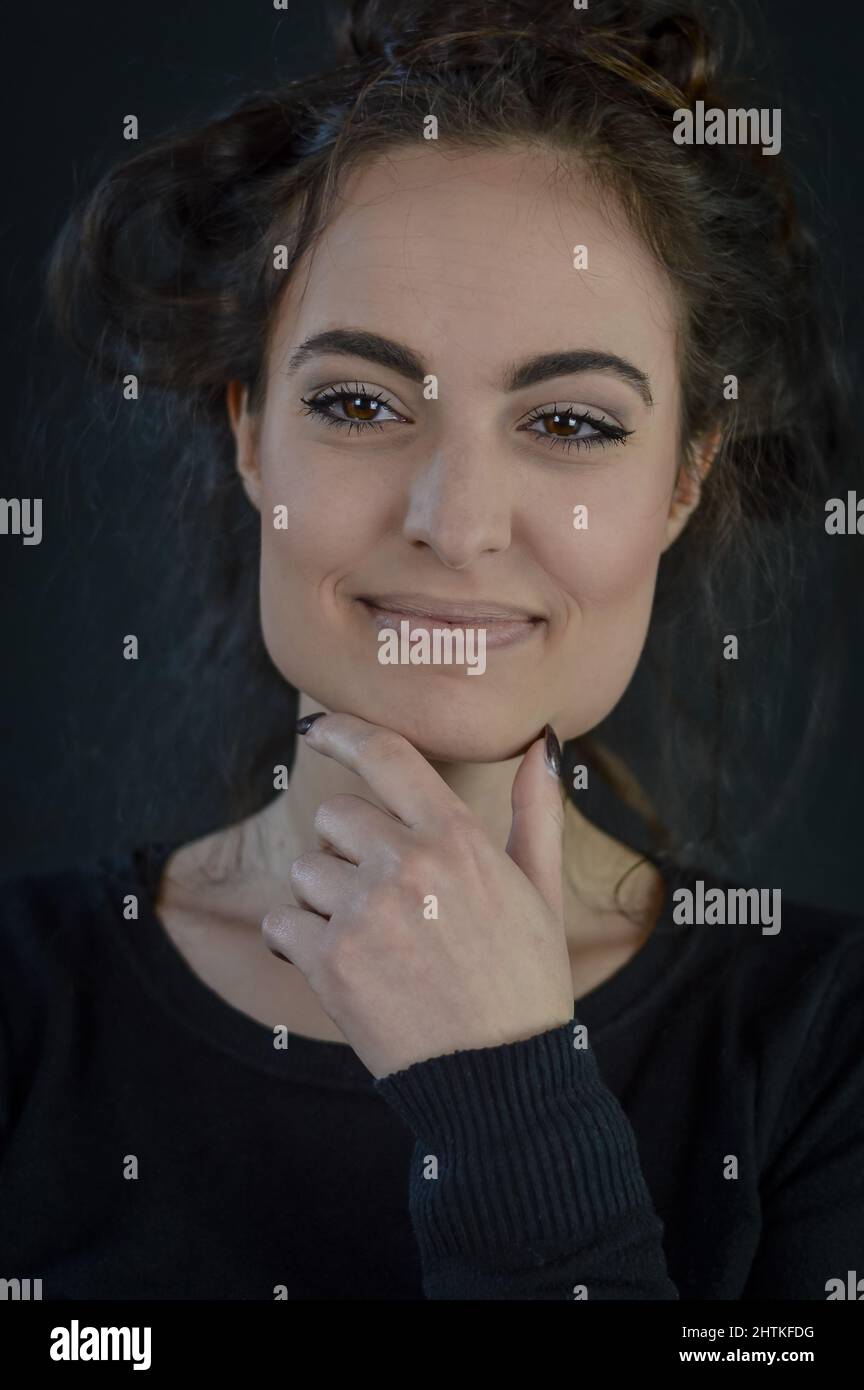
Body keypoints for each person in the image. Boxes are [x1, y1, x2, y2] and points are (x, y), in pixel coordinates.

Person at [1, 0, 862, 1301]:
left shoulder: (831, 1046)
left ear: (685, 479)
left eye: (570, 422)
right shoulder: (22, 1003)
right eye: (358, 402)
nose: (454, 525)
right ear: (249, 432)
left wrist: (507, 1095)